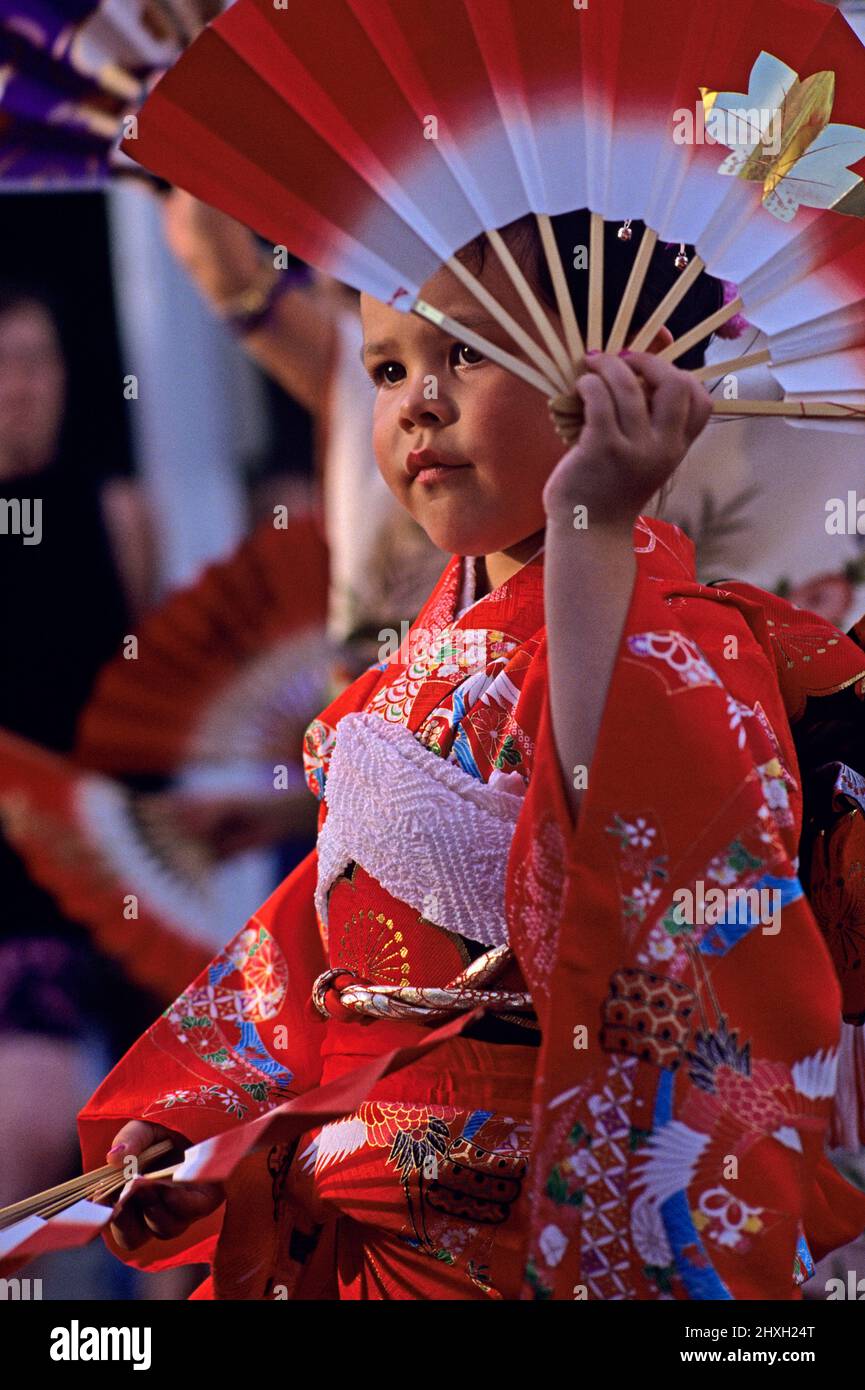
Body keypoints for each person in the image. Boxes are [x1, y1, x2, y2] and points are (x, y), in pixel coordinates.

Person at [78, 212, 865, 1300]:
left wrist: (592, 531)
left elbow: (638, 893)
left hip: (521, 1232)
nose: (418, 404)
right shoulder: (414, 670)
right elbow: (326, 941)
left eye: (469, 353)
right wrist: (195, 1124)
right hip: (364, 1225)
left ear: (607, 369)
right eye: (388, 369)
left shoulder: (685, 646)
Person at [0, 283, 158, 1225]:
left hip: (110, 870)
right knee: (25, 1149)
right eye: (3, 366)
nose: (22, 388)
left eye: (37, 362)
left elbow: (154, 707)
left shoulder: (115, 512)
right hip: (14, 888)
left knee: (156, 1172)